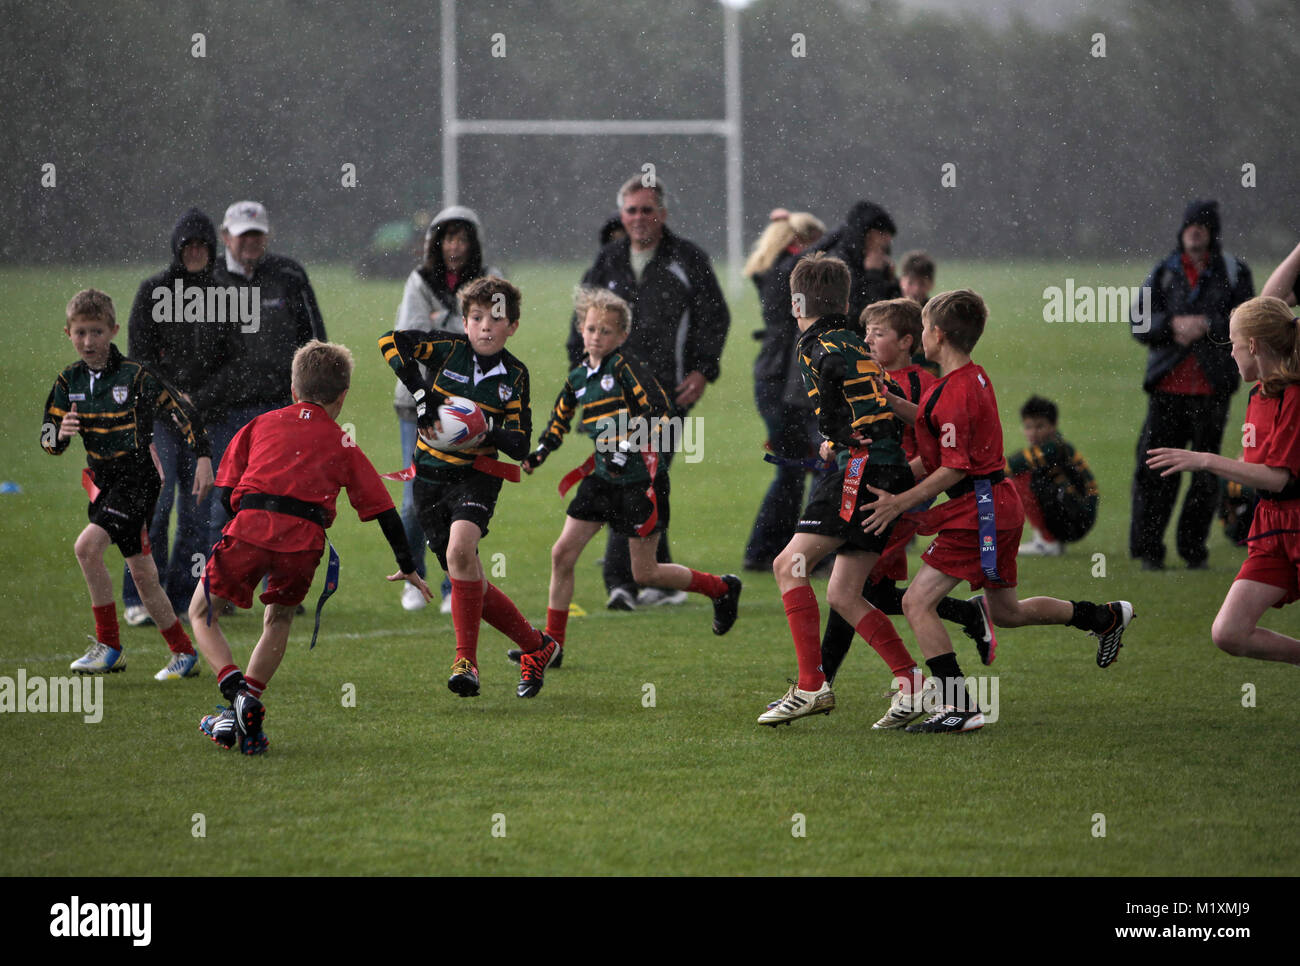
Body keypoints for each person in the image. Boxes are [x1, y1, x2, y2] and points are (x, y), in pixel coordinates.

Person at [862, 289, 1135, 733]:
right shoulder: (968, 377)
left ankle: (959, 707)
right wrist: (890, 400)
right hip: (996, 505)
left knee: (916, 602)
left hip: (979, 512)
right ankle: (1103, 617)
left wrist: (899, 502)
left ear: (937, 334)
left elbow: (952, 468)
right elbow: (933, 419)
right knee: (1006, 613)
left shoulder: (955, 390)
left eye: (927, 325)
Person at [191, 341, 430, 755]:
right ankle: (246, 713)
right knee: (279, 620)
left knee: (200, 611)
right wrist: (408, 564)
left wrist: (235, 526)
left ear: (292, 387)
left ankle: (235, 696)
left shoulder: (260, 424)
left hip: (251, 526)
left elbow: (225, 488)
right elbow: (385, 510)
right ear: (343, 396)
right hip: (303, 543)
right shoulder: (343, 442)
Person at [518, 288, 742, 671]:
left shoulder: (624, 367)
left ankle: (722, 588)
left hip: (640, 481)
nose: (596, 336)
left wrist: (628, 442)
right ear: (580, 329)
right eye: (591, 328)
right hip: (602, 479)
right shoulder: (577, 376)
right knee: (562, 554)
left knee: (645, 572)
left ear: (621, 336)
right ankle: (551, 647)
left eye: (606, 331)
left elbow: (660, 410)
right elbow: (559, 419)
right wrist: (539, 453)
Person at [757, 254, 924, 729]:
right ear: (847, 301)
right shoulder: (850, 338)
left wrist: (847, 435)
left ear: (795, 303)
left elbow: (843, 392)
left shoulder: (817, 344)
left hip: (861, 470)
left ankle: (811, 685)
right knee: (844, 592)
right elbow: (871, 395)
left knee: (787, 564)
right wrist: (839, 438)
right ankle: (913, 684)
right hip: (880, 469)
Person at [380, 277, 556, 699]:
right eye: (476, 318)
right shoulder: (449, 348)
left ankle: (466, 663)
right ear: (464, 322)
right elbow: (391, 341)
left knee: (461, 552)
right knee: (466, 574)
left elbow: (519, 443)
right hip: (427, 479)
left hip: (476, 477)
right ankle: (536, 645)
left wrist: (485, 426)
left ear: (512, 325)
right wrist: (421, 391)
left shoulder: (515, 375)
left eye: (496, 319)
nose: (485, 327)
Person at [568, 175, 731, 611]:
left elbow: (714, 319)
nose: (640, 218)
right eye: (632, 210)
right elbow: (580, 324)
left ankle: (627, 581)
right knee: (634, 481)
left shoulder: (687, 259)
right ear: (622, 215)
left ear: (663, 213)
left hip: (665, 396)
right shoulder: (608, 261)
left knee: (638, 480)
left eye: (648, 209)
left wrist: (702, 370)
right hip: (610, 398)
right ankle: (646, 580)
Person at [817, 297, 993, 687]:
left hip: (896, 499)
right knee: (870, 592)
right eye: (865, 333)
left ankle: (822, 681)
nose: (867, 341)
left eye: (878, 334)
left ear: (906, 342)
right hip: (875, 492)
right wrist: (837, 444)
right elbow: (859, 431)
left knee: (848, 590)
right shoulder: (867, 379)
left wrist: (899, 484)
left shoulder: (926, 384)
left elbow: (936, 454)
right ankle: (966, 616)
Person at [41, 289, 214, 680]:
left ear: (113, 330)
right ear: (67, 332)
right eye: (80, 332)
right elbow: (49, 441)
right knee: (143, 576)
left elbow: (180, 409)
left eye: (97, 332)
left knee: (87, 548)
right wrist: (61, 434)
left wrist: (203, 456)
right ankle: (184, 654)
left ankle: (110, 646)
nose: (88, 341)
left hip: (137, 479)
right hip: (103, 483)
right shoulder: (68, 381)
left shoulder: (135, 376)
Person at [1147, 297, 1300, 666]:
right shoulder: (1258, 394)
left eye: (1232, 344)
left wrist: (1205, 460)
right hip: (1272, 527)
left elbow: (1279, 479)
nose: (1230, 354)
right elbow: (1259, 466)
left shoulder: (1294, 396)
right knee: (1229, 632)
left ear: (1251, 346)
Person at [120, 208, 243, 626]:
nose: (194, 253)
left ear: (211, 250)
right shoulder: (153, 291)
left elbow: (234, 362)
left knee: (198, 508)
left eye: (201, 247)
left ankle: (180, 598)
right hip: (157, 418)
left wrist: (199, 399)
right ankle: (139, 598)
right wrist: (173, 398)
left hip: (207, 419)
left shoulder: (227, 295)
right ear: (177, 249)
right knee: (156, 503)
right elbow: (138, 357)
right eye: (187, 247)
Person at [1131, 199, 1253, 571]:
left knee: (1205, 475)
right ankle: (1150, 550)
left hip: (1213, 390)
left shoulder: (1234, 272)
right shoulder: (1164, 272)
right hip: (1167, 389)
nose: (1194, 231)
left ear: (1212, 232)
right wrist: (1171, 326)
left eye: (1201, 225)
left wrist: (1207, 325)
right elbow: (1139, 322)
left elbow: (1247, 320)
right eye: (1189, 225)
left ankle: (1192, 549)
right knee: (1155, 470)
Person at [391, 205, 503, 614]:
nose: (455, 246)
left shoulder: (491, 280)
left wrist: (447, 329)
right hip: (419, 403)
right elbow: (411, 336)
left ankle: (454, 582)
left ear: (473, 242)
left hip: (471, 406)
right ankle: (413, 577)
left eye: (463, 238)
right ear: (436, 242)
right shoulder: (420, 280)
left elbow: (493, 336)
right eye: (448, 237)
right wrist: (462, 332)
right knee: (414, 497)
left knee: (460, 498)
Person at [207, 200, 327, 552]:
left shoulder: (289, 274)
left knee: (280, 498)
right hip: (222, 412)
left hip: (279, 408)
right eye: (243, 235)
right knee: (222, 501)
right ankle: (217, 588)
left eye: (257, 235)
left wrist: (315, 399)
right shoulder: (207, 280)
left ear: (267, 236)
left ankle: (276, 590)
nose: (250, 242)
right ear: (225, 236)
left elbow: (314, 339)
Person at [743, 208, 825, 571]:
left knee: (791, 469)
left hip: (771, 379)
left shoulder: (769, 269)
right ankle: (790, 548)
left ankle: (767, 549)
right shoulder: (789, 273)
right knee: (802, 469)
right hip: (784, 383)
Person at [1008, 396, 1099, 556]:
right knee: (1027, 475)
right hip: (1075, 513)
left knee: (1019, 478)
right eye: (1028, 427)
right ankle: (1047, 539)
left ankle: (1047, 542)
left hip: (1077, 518)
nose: (1033, 433)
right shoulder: (1056, 445)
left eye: (1040, 426)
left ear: (1053, 425)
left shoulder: (1053, 448)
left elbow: (1009, 466)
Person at [815, 200, 901, 324]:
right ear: (866, 235)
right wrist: (874, 275)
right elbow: (860, 317)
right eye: (882, 233)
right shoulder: (837, 265)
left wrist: (891, 281)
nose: (887, 240)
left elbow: (895, 313)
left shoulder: (868, 263)